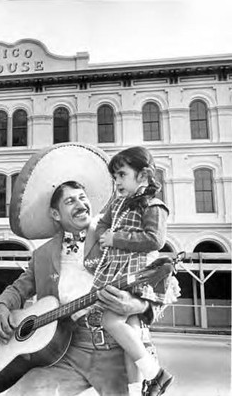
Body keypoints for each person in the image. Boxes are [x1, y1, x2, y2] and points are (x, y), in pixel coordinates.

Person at [0, 143, 166, 396]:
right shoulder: (42, 254)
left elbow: (156, 276)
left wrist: (137, 306)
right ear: (55, 214)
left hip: (116, 349)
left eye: (83, 198)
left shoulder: (114, 236)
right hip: (65, 350)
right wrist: (2, 306)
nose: (81, 204)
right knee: (26, 391)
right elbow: (21, 286)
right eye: (70, 201)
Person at [95, 146, 176, 396]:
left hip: (137, 272)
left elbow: (155, 240)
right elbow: (102, 225)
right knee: (132, 339)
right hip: (116, 270)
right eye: (115, 177)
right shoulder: (116, 203)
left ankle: (156, 374)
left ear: (143, 175)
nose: (117, 181)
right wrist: (102, 237)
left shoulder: (154, 205)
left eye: (122, 175)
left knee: (110, 320)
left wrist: (115, 239)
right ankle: (136, 390)